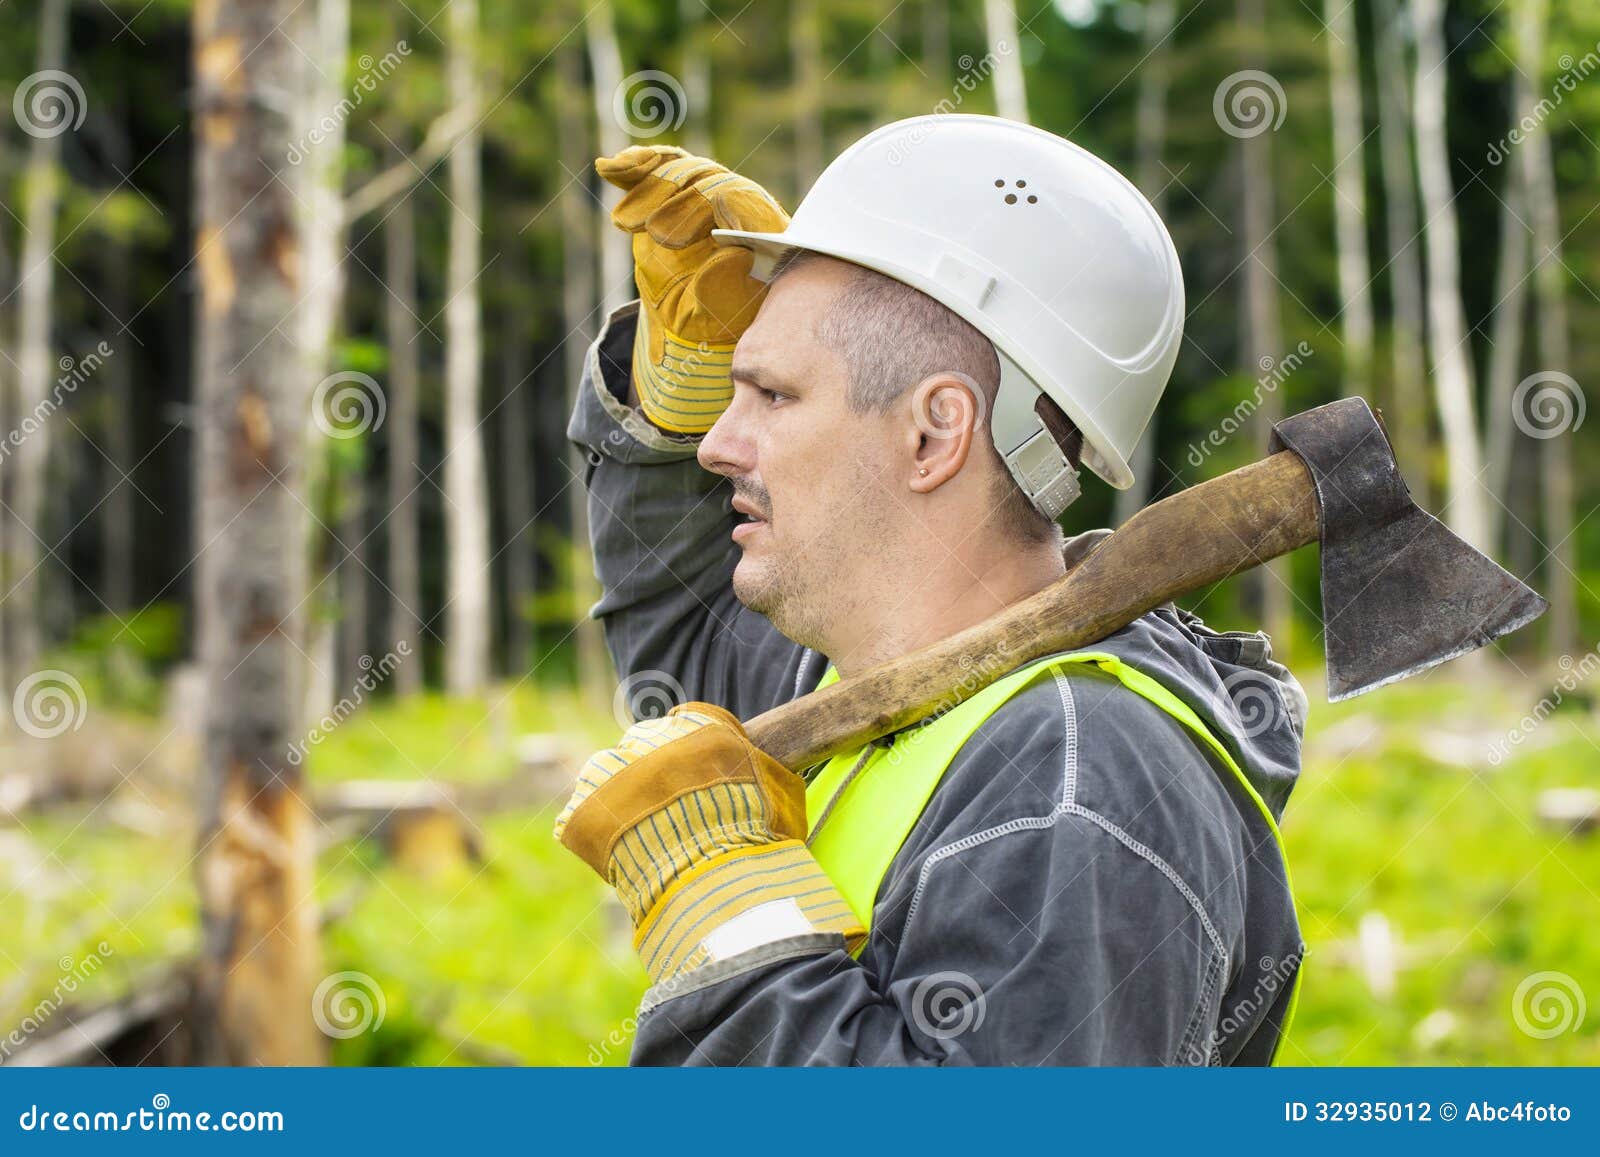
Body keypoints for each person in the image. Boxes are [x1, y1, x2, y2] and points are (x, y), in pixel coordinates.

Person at [556, 115, 1308, 1066]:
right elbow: (687, 646)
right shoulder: (862, 688)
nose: (715, 443)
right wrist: (679, 379)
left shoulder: (1078, 788)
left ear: (933, 434)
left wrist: (726, 909)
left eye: (773, 396)